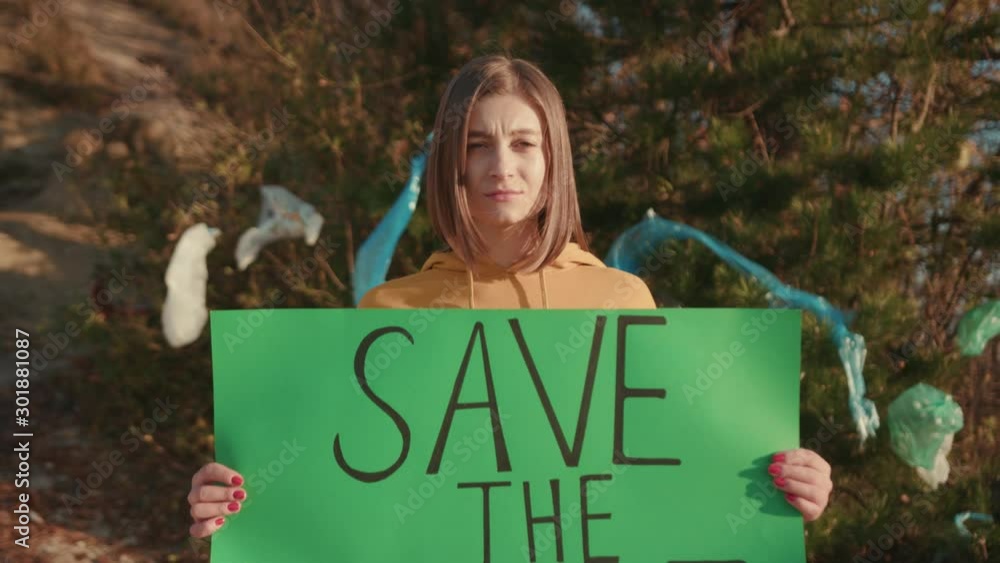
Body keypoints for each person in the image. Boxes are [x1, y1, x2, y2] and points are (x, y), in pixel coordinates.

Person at [188, 55, 833, 539]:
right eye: (477, 145)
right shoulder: (391, 316)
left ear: (553, 164)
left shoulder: (624, 301)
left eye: (524, 143)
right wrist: (238, 510)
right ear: (454, 168)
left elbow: (668, 487)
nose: (502, 164)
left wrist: (785, 490)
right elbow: (347, 509)